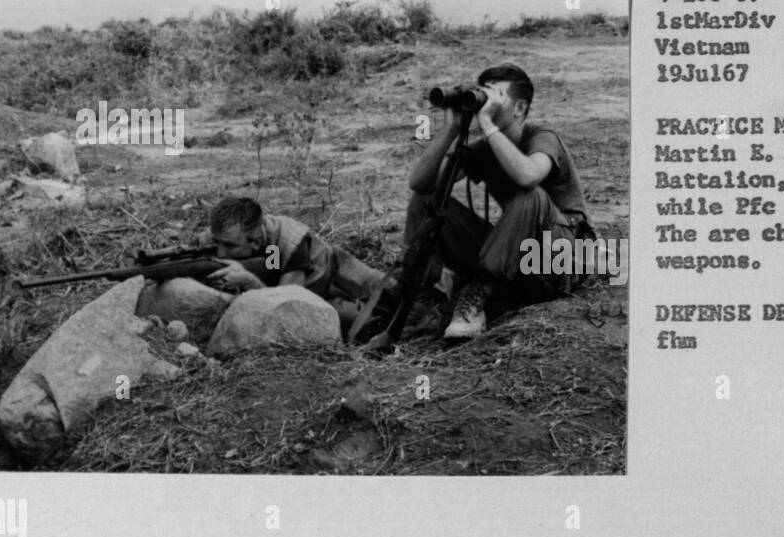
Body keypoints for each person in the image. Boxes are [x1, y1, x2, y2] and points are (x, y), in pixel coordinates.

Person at [403, 63, 592, 339]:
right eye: (483, 95)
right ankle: (421, 294)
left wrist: (488, 125)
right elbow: (420, 183)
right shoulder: (488, 148)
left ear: (519, 108)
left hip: (559, 262)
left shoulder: (543, 138)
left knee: (531, 194)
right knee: (426, 201)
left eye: (496, 97)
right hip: (518, 264)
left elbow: (528, 176)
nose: (486, 105)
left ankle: (477, 295)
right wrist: (451, 130)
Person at [206, 197, 388, 337]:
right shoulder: (222, 236)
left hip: (334, 270)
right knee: (367, 326)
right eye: (217, 243)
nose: (220, 253)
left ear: (256, 241)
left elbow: (287, 303)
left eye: (229, 246)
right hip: (316, 299)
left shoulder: (290, 238)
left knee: (393, 292)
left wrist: (250, 282)